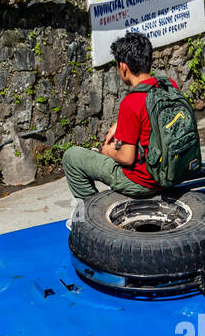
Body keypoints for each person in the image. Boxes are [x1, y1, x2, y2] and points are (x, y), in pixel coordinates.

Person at [63, 31, 168, 211]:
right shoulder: (168, 85)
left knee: (72, 157)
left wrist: (107, 151)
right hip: (173, 172)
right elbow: (148, 112)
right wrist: (119, 124)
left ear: (123, 67)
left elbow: (127, 159)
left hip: (144, 182)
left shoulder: (131, 103)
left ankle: (92, 215)